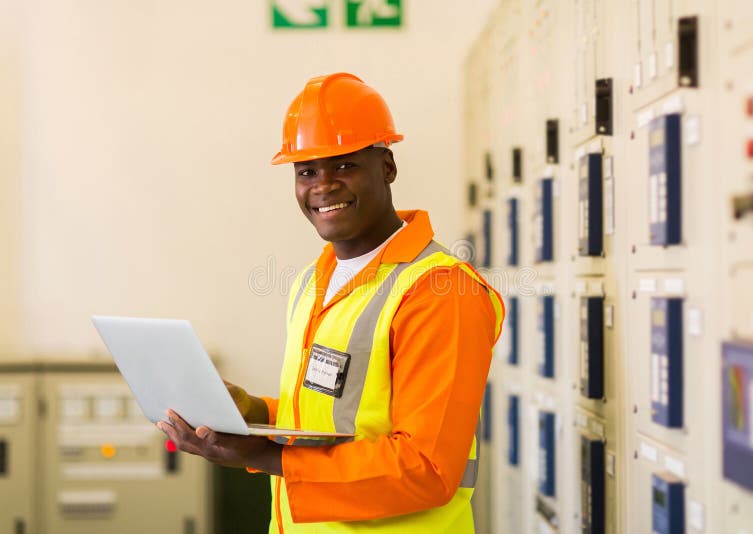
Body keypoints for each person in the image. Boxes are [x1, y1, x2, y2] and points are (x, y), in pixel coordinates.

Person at [157, 72, 504, 533]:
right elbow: (336, 415)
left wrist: (263, 454)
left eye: (344, 166)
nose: (323, 185)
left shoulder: (440, 291)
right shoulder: (311, 282)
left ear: (387, 166)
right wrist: (254, 413)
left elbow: (426, 468)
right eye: (306, 171)